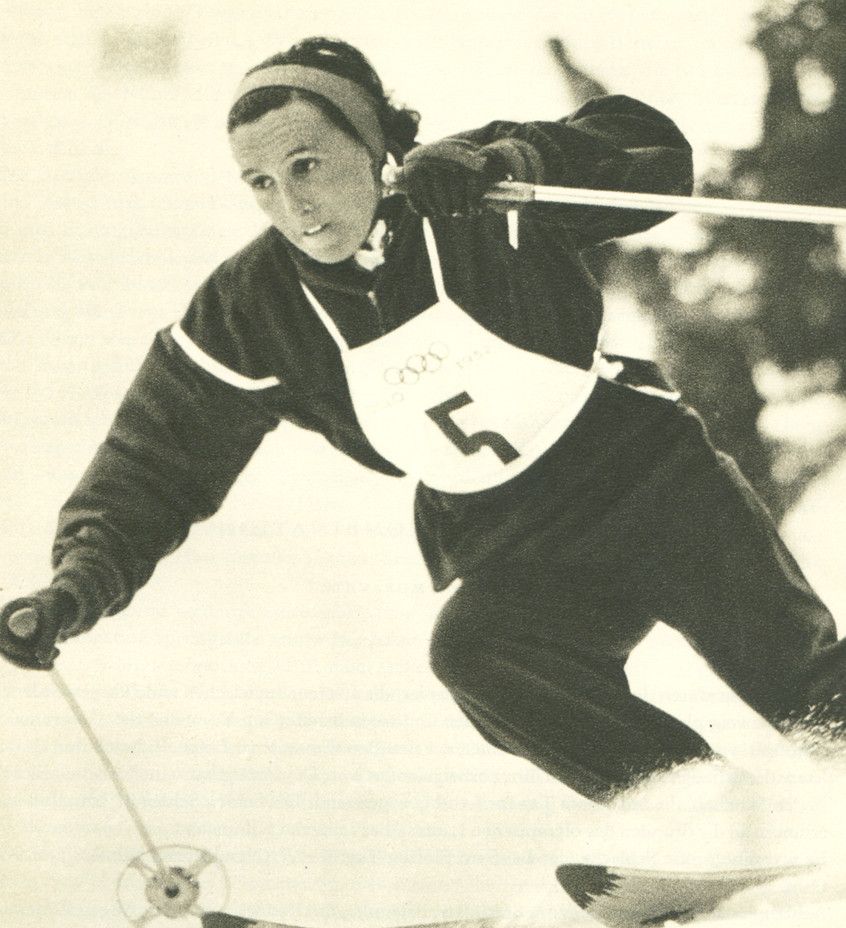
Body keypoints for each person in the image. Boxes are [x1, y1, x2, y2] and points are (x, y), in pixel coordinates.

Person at [1, 37, 842, 804]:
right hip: (516, 538)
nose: (294, 204)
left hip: (650, 481)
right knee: (482, 653)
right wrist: (77, 585)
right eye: (261, 183)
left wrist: (514, 161)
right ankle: (698, 813)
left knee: (805, 690)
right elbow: (155, 459)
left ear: (373, 147)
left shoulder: (473, 188)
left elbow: (649, 154)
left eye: (307, 165)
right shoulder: (252, 307)